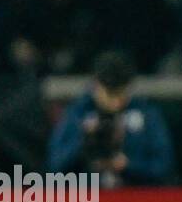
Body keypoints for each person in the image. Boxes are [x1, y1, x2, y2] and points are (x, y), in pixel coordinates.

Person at [47, 50, 174, 187]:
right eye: (109, 93)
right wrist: (83, 144)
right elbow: (54, 167)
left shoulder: (146, 114)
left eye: (120, 93)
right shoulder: (78, 113)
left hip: (135, 197)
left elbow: (164, 167)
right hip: (88, 198)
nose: (115, 102)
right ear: (96, 85)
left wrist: (128, 166)